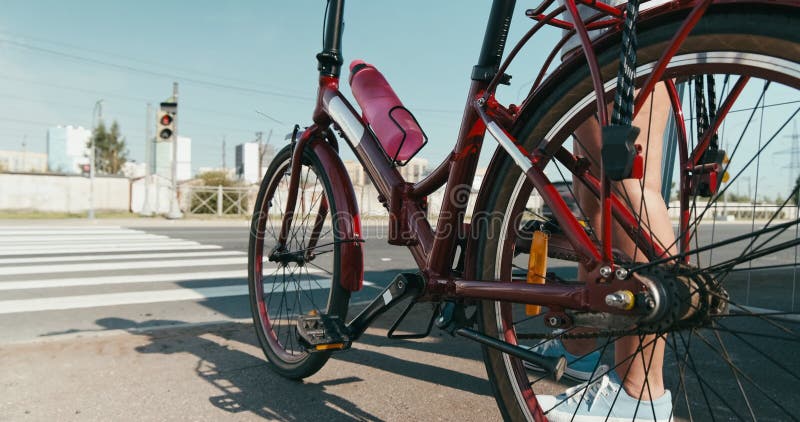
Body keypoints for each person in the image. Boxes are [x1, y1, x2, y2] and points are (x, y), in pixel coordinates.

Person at [527, 2, 677, 421]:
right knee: (594, 200)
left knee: (628, 192)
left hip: (619, 22)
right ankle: (582, 347)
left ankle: (640, 392)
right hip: (593, 29)